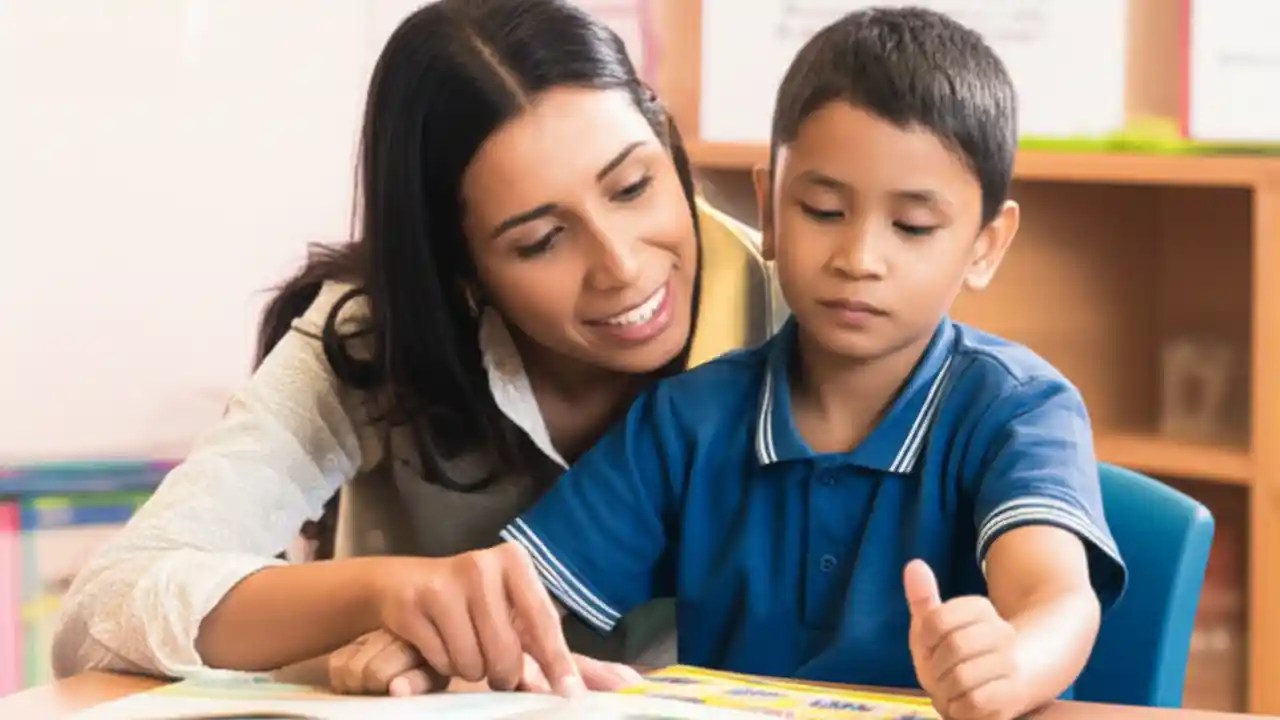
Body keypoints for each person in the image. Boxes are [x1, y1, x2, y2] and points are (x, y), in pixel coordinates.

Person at [361, 7, 1130, 718]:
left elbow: (1057, 599)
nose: (859, 257)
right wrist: (429, 649)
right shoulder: (685, 422)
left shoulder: (1018, 409)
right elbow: (520, 598)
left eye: (913, 226)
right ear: (769, 209)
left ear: (986, 245)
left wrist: (1013, 660)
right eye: (823, 211)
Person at [51, 0, 779, 697]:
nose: (620, 266)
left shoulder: (792, 313)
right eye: (540, 241)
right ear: (459, 266)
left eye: (632, 186)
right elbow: (102, 615)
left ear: (664, 137)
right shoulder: (374, 339)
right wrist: (385, 591)